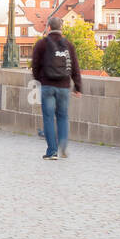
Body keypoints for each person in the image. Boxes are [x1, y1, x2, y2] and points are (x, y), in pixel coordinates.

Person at [31, 17, 83, 160]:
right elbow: (75, 67)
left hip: (47, 85)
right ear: (61, 29)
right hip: (64, 87)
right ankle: (63, 146)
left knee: (48, 118)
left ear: (48, 28)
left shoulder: (41, 44)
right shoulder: (68, 45)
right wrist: (78, 86)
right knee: (63, 116)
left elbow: (35, 65)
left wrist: (38, 79)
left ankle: (52, 151)